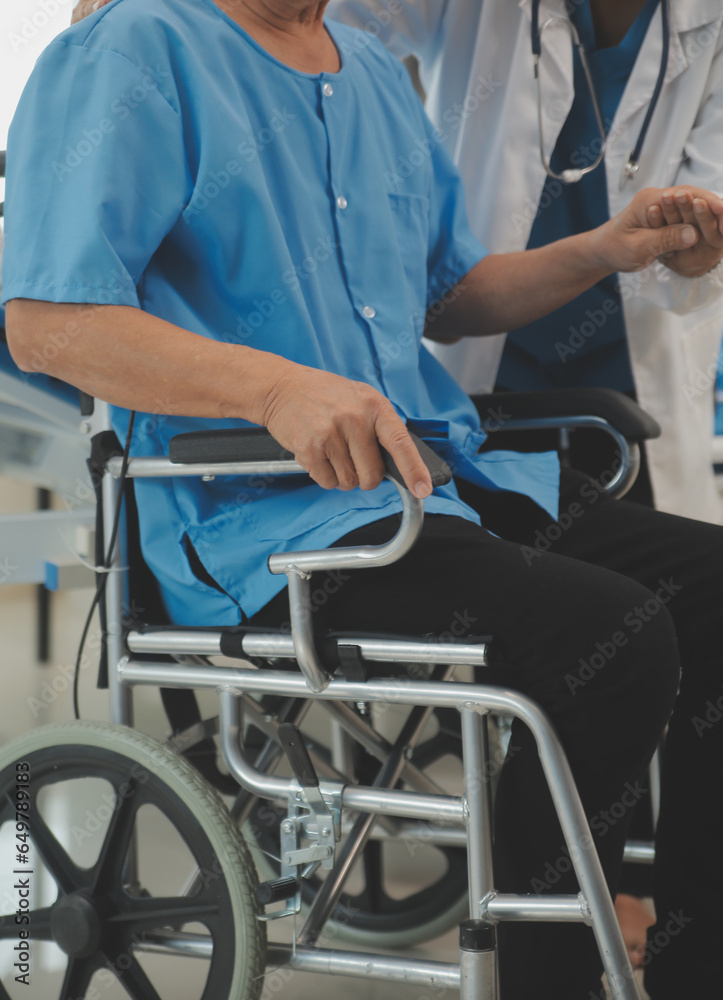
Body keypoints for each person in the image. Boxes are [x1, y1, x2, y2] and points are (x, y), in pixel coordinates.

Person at [3, 2, 722, 998]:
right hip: (259, 521)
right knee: (614, 638)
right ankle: (549, 974)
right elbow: (49, 324)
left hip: (431, 484)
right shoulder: (138, 45)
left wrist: (603, 248)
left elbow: (451, 292)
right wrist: (274, 389)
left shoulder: (372, 72)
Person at [326, 0, 723, 526]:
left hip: (632, 367)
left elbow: (705, 215)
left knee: (656, 581)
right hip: (474, 350)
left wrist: (695, 256)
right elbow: (319, 38)